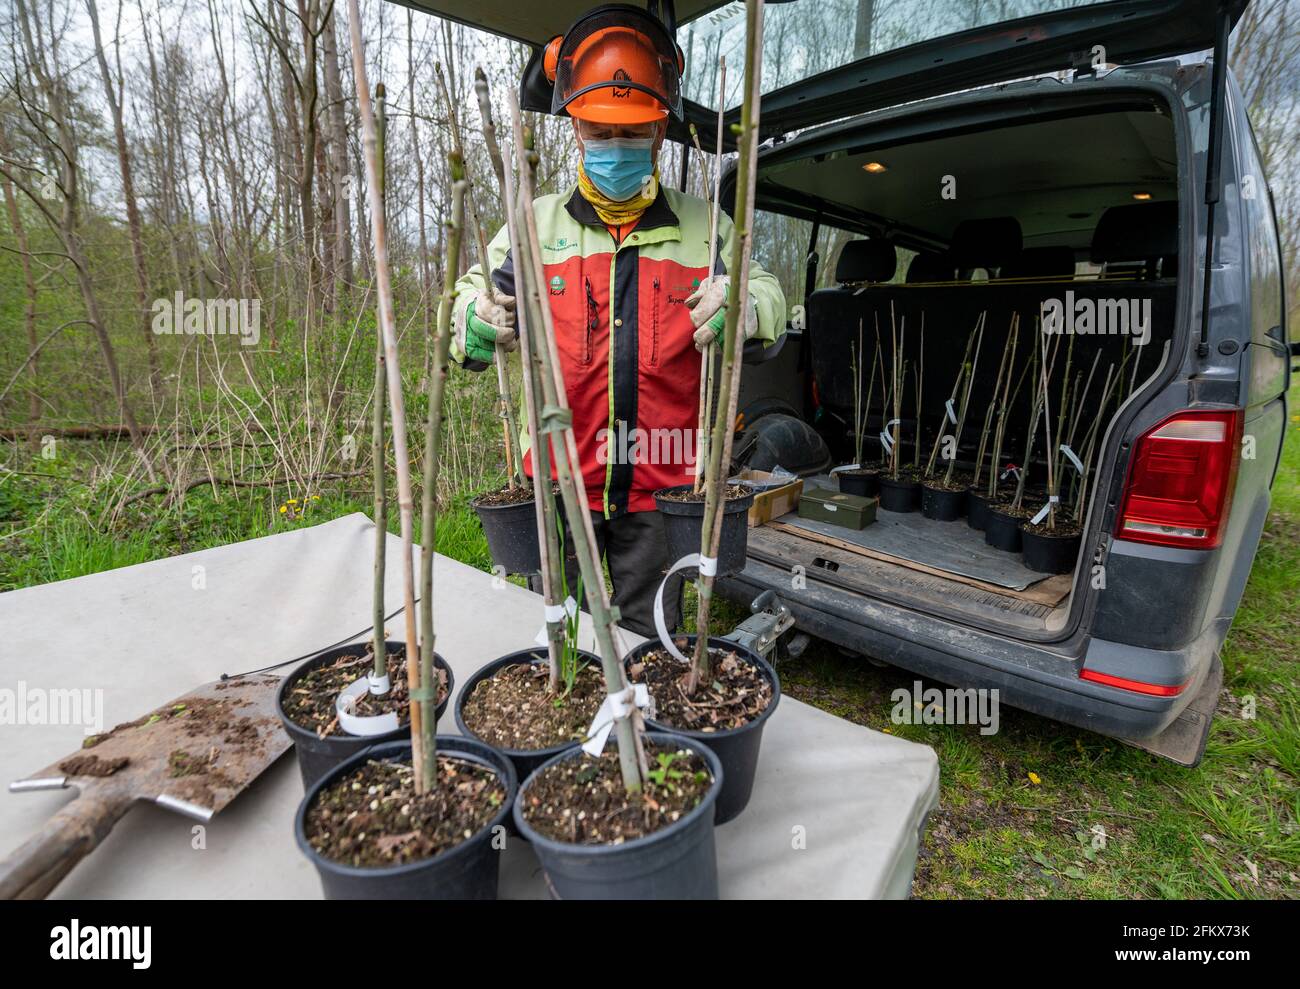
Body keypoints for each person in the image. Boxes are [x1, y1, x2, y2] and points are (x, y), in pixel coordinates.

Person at [451, 5, 786, 638]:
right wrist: (474, 319)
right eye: (600, 132)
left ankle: (647, 731)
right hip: (556, 482)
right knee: (556, 641)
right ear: (575, 130)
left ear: (659, 135)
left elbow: (768, 296)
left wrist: (744, 309)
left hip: (665, 488)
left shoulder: (704, 226)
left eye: (631, 134)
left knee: (653, 638)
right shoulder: (533, 225)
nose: (615, 147)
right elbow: (464, 316)